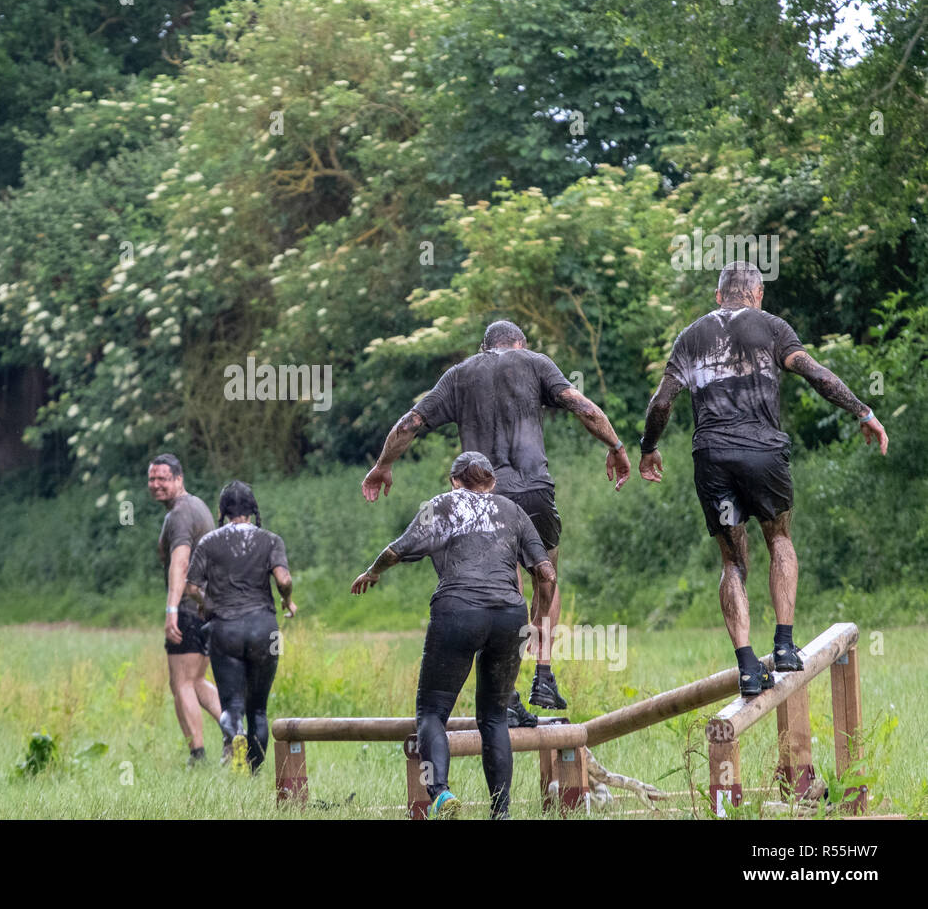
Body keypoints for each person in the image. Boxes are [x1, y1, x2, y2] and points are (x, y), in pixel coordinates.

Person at [639, 261, 889, 697]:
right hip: (764, 454)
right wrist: (863, 411)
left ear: (719, 296)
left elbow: (661, 403)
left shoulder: (691, 336)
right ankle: (786, 644)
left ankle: (747, 667)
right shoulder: (772, 327)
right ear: (757, 295)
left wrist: (647, 448)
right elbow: (817, 375)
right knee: (779, 539)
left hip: (712, 457)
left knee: (733, 562)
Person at [361, 319, 628, 718]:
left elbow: (409, 423)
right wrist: (616, 446)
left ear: (483, 346)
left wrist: (383, 465)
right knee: (545, 572)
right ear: (520, 342)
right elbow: (583, 407)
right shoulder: (535, 362)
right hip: (535, 490)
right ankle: (544, 672)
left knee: (500, 584)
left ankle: (508, 695)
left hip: (487, 497)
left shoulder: (459, 375)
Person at [353, 452, 555, 819]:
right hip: (510, 616)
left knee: (431, 712)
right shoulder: (511, 510)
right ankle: (501, 812)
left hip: (458, 611)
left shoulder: (442, 506)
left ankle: (442, 793)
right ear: (492, 483)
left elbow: (396, 549)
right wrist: (537, 619)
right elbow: (546, 573)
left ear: (454, 481)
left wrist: (372, 572)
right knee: (494, 717)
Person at [184, 481, 294, 774]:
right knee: (258, 708)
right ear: (253, 510)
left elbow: (192, 586)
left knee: (231, 704)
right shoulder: (270, 540)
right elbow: (283, 580)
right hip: (264, 629)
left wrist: (207, 604)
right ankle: (255, 772)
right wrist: (288, 601)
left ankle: (235, 735)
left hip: (225, 629)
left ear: (222, 511)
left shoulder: (209, 542)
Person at [148, 454, 225, 766]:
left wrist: (171, 611)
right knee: (195, 681)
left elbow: (180, 563)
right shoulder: (196, 506)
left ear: (178, 479)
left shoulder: (180, 513)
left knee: (181, 683)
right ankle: (237, 732)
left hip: (190, 608)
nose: (156, 485)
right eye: (152, 479)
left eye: (163, 479)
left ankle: (198, 755)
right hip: (207, 606)